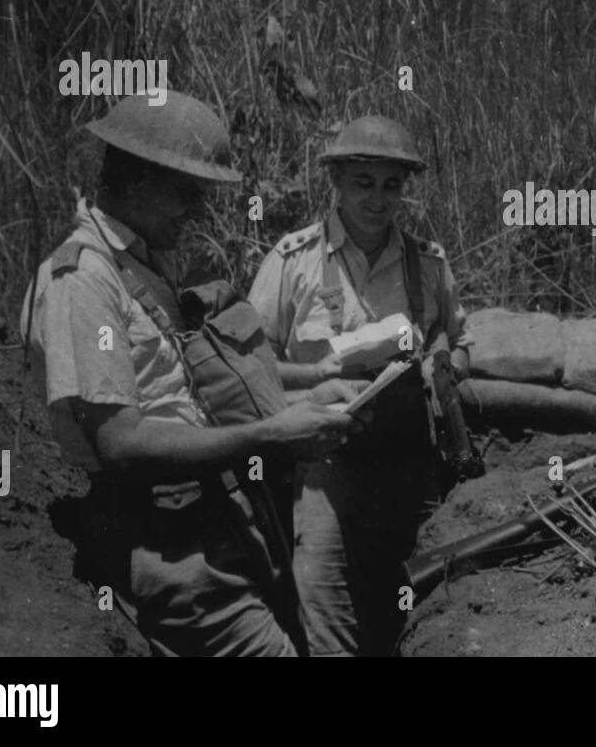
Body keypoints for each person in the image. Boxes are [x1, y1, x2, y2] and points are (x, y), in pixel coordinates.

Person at [22, 90, 353, 657]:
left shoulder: (137, 263)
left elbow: (188, 384)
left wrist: (310, 383)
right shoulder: (80, 281)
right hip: (169, 546)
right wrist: (270, 438)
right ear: (139, 179)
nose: (198, 210)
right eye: (188, 192)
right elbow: (121, 443)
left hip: (216, 524)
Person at [247, 114, 470, 657]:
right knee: (322, 588)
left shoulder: (428, 264)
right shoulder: (293, 260)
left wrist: (443, 360)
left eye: (391, 185)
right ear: (336, 184)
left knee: (420, 591)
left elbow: (458, 343)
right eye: (363, 184)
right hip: (326, 460)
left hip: (407, 458)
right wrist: (319, 380)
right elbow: (249, 368)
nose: (378, 199)